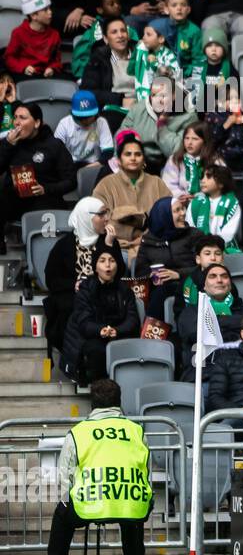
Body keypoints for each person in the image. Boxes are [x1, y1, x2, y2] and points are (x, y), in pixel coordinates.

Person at [45, 379, 152, 555]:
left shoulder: (78, 433)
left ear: (92, 403)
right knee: (131, 509)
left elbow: (64, 477)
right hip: (129, 501)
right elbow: (144, 471)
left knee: (62, 512)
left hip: (89, 503)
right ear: (119, 401)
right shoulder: (137, 431)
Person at [43, 197, 124, 358]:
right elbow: (52, 280)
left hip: (104, 293)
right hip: (73, 296)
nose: (106, 219)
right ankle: (75, 359)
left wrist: (108, 245)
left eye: (106, 213)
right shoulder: (64, 245)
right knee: (69, 309)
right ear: (86, 217)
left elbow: (119, 272)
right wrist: (74, 284)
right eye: (101, 215)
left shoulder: (108, 241)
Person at [60, 246, 139, 384]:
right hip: (90, 337)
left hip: (118, 335)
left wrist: (117, 331)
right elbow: (83, 321)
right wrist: (99, 330)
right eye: (102, 261)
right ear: (95, 267)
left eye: (112, 260)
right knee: (97, 351)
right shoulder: (85, 289)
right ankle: (100, 393)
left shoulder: (125, 290)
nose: (107, 265)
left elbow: (132, 319)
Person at [0, 103, 77, 231]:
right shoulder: (9, 142)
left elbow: (71, 181)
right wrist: (8, 145)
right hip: (14, 199)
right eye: (15, 117)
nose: (17, 122)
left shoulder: (54, 145)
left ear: (36, 123)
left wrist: (45, 189)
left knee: (46, 208)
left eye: (23, 118)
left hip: (44, 199)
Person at [120, 75, 194, 171]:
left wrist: (162, 128)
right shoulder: (138, 109)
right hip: (137, 160)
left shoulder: (188, 116)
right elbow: (122, 137)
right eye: (154, 95)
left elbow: (177, 152)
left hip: (169, 166)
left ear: (174, 95)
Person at [79, 18, 138, 125]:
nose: (120, 35)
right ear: (106, 39)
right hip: (115, 109)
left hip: (143, 106)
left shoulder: (141, 54)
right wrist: (121, 100)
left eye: (123, 31)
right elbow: (88, 92)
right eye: (114, 32)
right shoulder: (98, 59)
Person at [5, 0, 62, 82]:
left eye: (50, 8)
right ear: (33, 16)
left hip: (45, 76)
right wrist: (23, 67)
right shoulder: (18, 33)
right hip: (25, 75)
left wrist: (52, 68)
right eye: (45, 10)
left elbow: (56, 60)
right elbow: (9, 58)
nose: (50, 12)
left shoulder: (54, 35)